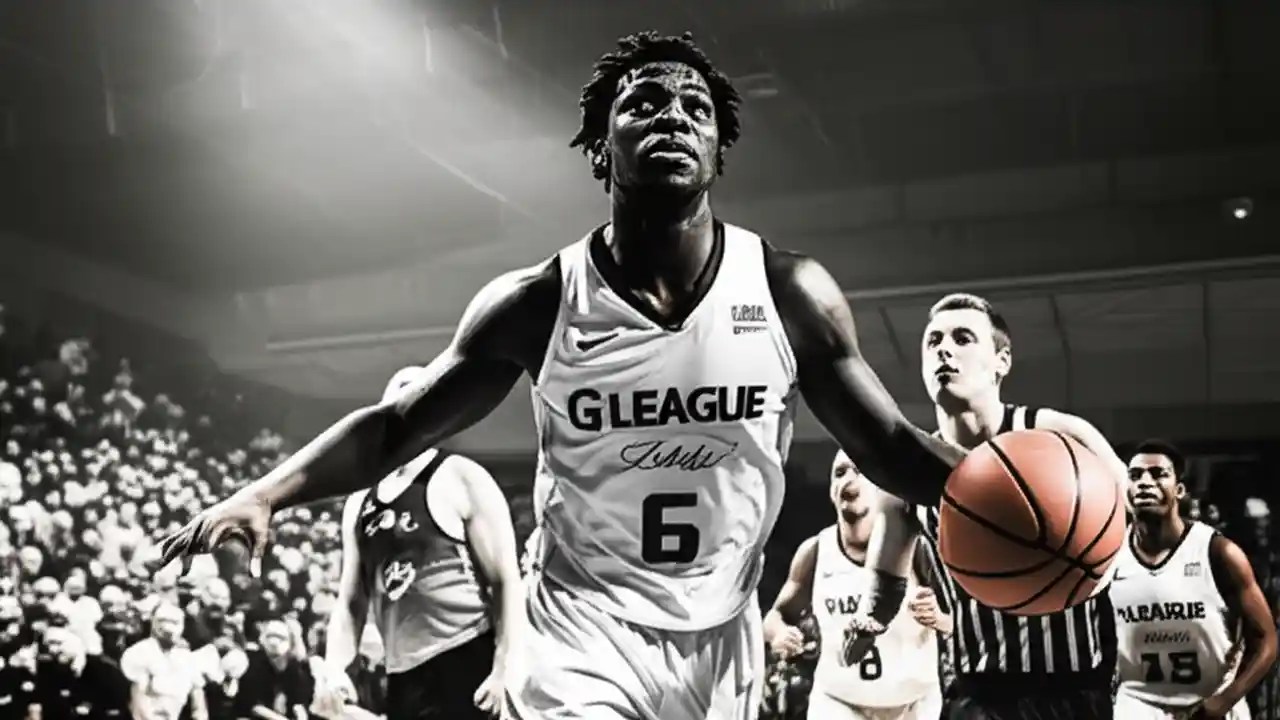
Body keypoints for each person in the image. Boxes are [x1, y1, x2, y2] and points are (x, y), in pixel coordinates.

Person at [154, 31, 966, 720]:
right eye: (642, 104)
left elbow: (890, 443)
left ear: (719, 148)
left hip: (722, 634)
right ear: (600, 146)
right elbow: (398, 429)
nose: (672, 118)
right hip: (581, 623)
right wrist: (264, 494)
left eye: (695, 108)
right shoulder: (538, 303)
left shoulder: (789, 292)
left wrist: (1009, 499)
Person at [854, 293, 1128, 719]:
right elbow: (886, 577)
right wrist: (870, 618)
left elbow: (1137, 520)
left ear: (1001, 361)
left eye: (963, 338)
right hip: (978, 690)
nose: (944, 349)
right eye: (933, 341)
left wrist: (1093, 566)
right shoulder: (907, 471)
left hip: (1074, 687)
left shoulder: (1063, 435)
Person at [316, 367, 523, 719]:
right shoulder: (360, 501)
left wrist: (506, 667)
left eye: (424, 395)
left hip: (467, 655)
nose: (413, 401)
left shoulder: (462, 476)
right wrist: (333, 668)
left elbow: (506, 582)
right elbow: (351, 601)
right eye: (404, 391)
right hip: (402, 672)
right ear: (385, 407)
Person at [764, 450, 945, 720]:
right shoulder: (815, 551)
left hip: (914, 704)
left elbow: (964, 624)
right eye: (840, 472)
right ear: (831, 492)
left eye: (859, 471)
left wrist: (940, 618)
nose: (849, 479)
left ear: (882, 489)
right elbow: (774, 617)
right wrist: (780, 634)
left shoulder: (918, 547)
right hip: (839, 703)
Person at [1111, 440, 1277, 719]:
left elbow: (1266, 639)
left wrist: (1225, 699)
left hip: (1213, 707)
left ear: (1179, 490)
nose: (1145, 482)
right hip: (1138, 708)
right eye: (1135, 475)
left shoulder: (1217, 552)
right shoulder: (1109, 556)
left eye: (1158, 474)